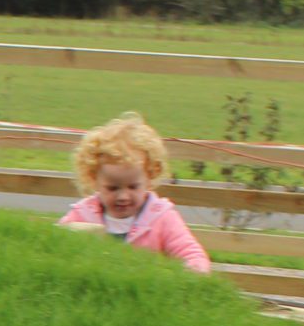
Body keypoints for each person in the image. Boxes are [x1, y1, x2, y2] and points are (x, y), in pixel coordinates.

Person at [57, 114, 211, 273]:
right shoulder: (83, 215)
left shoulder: (161, 218)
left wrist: (194, 271)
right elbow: (55, 242)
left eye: (133, 187)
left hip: (145, 293)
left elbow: (191, 253)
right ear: (94, 180)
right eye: (112, 188)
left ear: (149, 177)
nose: (123, 196)